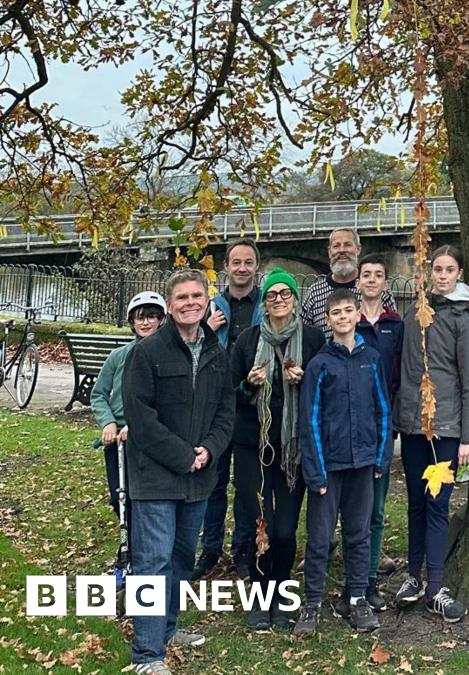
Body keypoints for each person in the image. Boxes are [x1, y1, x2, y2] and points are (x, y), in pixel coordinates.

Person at [122, 270, 235, 675]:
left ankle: (168, 628)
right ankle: (147, 656)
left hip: (198, 477)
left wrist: (210, 449)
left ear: (208, 300)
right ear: (170, 305)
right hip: (155, 476)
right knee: (152, 563)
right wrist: (182, 454)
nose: (191, 302)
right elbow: (139, 414)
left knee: (182, 558)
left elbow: (226, 408)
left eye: (197, 296)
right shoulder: (148, 352)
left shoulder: (216, 352)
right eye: (182, 297)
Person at [228, 268, 323, 631]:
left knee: (283, 529)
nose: (279, 299)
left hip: (293, 449)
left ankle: (282, 597)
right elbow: (230, 397)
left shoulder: (312, 340)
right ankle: (259, 599)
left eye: (285, 294)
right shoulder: (248, 341)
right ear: (264, 302)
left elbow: (324, 392)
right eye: (272, 295)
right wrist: (250, 387)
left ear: (295, 301)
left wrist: (307, 379)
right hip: (254, 446)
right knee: (257, 524)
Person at [293, 289, 391, 637]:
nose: (343, 317)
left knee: (358, 535)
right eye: (336, 313)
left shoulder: (371, 358)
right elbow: (312, 420)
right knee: (319, 538)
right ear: (328, 319)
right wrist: (315, 471)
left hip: (363, 464)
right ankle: (312, 602)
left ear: (356, 315)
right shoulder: (321, 364)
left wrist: (380, 457)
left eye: (349, 311)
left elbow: (382, 410)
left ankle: (357, 599)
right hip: (329, 468)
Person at [392, 245, 469, 623]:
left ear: (458, 274)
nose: (442, 276)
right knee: (415, 501)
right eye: (437, 269)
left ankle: (436, 585)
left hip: (445, 429)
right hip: (414, 427)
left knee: (436, 503)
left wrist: (468, 435)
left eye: (449, 270)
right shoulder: (415, 312)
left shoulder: (464, 317)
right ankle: (413, 576)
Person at [194, 238, 263, 581]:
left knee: (247, 486)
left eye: (248, 262)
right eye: (236, 262)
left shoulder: (267, 304)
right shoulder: (209, 306)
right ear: (226, 267)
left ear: (255, 267)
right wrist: (207, 330)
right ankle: (210, 549)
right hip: (216, 407)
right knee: (213, 482)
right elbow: (189, 346)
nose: (241, 268)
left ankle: (243, 550)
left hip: (252, 407)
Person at [91, 292, 167, 566]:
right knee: (118, 497)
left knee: (140, 497)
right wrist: (109, 422)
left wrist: (137, 426)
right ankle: (129, 545)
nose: (145, 322)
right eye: (139, 317)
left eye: (151, 316)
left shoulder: (166, 356)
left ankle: (135, 551)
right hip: (118, 439)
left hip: (148, 436)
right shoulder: (119, 356)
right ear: (132, 322)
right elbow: (99, 394)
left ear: (161, 320)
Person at [354, 253, 405, 611]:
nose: (371, 280)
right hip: (348, 425)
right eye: (366, 275)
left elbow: (402, 376)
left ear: (385, 283)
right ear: (357, 282)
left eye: (377, 275)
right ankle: (352, 576)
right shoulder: (346, 321)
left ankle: (369, 578)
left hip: (382, 427)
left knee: (375, 506)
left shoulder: (395, 325)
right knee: (350, 506)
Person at [299, 228, 395, 340]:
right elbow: (302, 334)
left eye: (347, 245)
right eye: (336, 246)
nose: (342, 250)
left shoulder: (377, 290)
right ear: (329, 252)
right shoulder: (314, 293)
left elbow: (393, 329)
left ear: (358, 249)